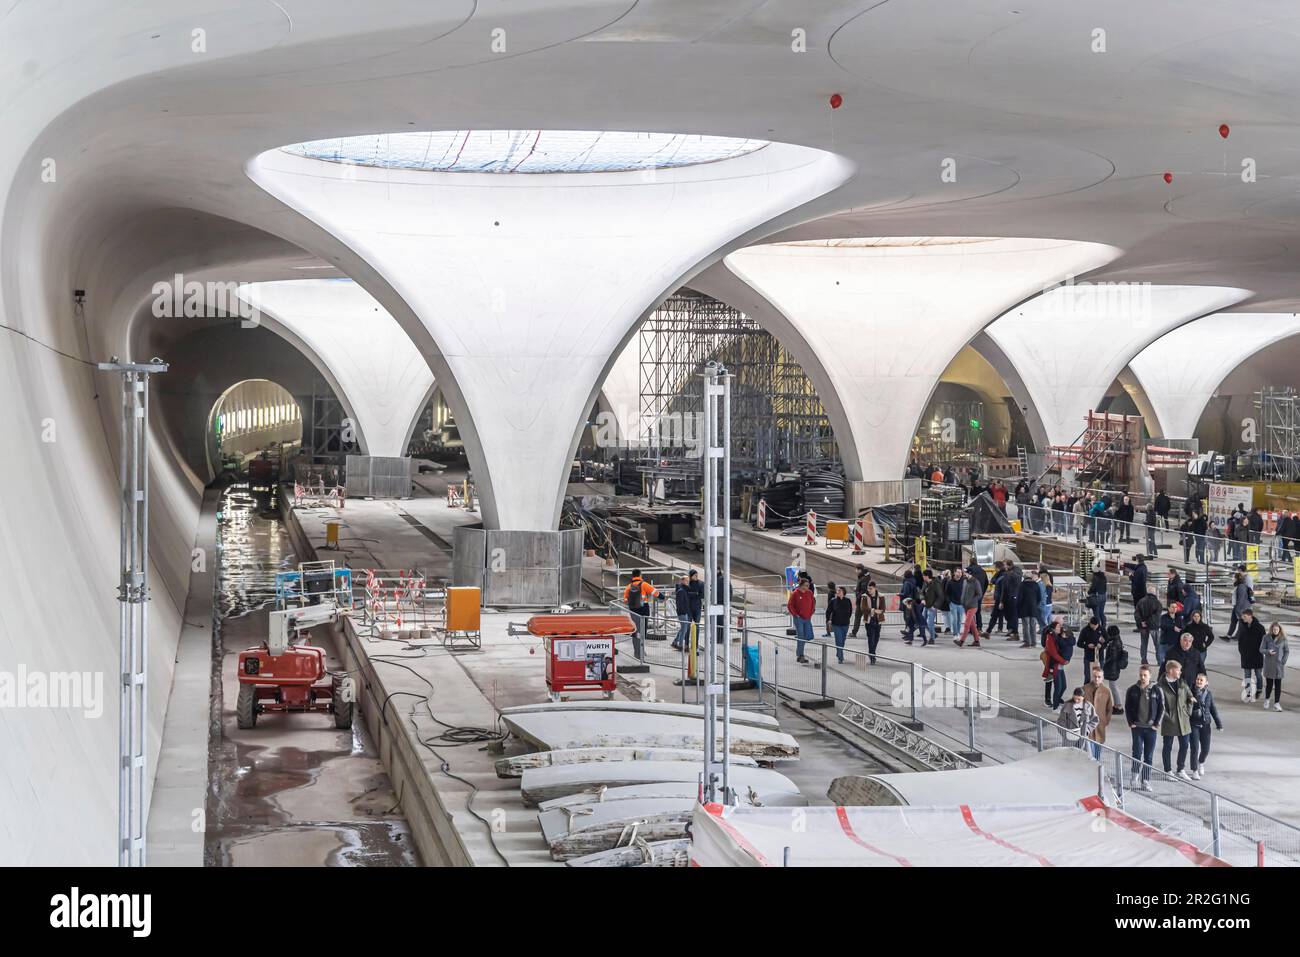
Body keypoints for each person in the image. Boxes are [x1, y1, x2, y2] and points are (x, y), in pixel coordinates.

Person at [1126, 665, 1164, 791]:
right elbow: (1127, 707)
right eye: (1141, 675)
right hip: (1137, 727)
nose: (1142, 677)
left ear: (1150, 676)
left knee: (1149, 755)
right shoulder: (1132, 690)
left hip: (1150, 728)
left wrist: (1156, 724)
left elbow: (1162, 708)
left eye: (1145, 675)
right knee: (1136, 752)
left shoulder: (1157, 690)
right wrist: (1131, 722)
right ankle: (1134, 777)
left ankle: (1145, 780)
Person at [1158, 659, 1194, 780]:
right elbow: (1159, 705)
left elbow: (1190, 696)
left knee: (1184, 745)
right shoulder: (1160, 686)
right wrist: (1167, 716)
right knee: (1167, 746)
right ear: (1171, 670)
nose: (1180, 672)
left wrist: (1187, 711)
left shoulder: (1182, 683)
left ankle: (1180, 769)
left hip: (1183, 720)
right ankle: (1168, 771)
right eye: (1178, 670)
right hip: (1170, 721)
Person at [1188, 672, 1223, 779]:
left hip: (1205, 724)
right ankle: (1194, 770)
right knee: (1194, 748)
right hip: (1193, 724)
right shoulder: (1190, 692)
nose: (1198, 681)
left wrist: (1219, 723)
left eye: (1201, 680)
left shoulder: (1208, 694)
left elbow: (1213, 709)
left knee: (1205, 749)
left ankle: (1201, 762)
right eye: (1197, 679)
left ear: (1206, 683)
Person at [623, 569, 661, 657]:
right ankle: (640, 652)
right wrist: (663, 597)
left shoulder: (628, 586)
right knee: (642, 632)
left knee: (635, 631)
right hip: (643, 610)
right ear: (640, 575)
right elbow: (656, 593)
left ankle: (637, 651)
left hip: (633, 611)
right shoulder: (644, 584)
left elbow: (625, 600)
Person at [1082, 666, 1113, 759]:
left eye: (1099, 677)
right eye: (1095, 676)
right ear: (1092, 676)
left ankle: (1097, 765)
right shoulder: (1084, 689)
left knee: (1098, 752)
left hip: (1100, 725)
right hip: (1088, 726)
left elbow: (1109, 708)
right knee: (1089, 753)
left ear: (1102, 678)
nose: (1096, 679)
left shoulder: (1106, 691)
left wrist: (1105, 721)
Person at [1057, 686, 1099, 752]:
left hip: (1083, 737)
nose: (1076, 701)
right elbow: (1060, 722)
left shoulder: (1089, 706)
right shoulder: (1066, 705)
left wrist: (1087, 730)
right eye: (1075, 698)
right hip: (1069, 738)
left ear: (1083, 697)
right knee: (1068, 755)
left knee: (1083, 755)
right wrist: (1065, 733)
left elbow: (1095, 720)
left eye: (1079, 699)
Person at [1237, 608, 1265, 702]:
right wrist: (1241, 651)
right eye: (1242, 616)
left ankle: (1259, 690)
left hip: (1257, 655)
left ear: (1250, 616)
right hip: (1246, 655)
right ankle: (1248, 693)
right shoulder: (1242, 627)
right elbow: (1240, 640)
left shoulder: (1260, 628)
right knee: (1247, 675)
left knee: (1258, 674)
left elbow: (1264, 642)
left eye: (1244, 616)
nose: (1243, 618)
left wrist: (1261, 651)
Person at [788, 578, 816, 663]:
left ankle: (800, 653)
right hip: (799, 618)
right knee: (801, 636)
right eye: (806, 585)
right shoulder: (795, 593)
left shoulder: (809, 593)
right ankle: (800, 655)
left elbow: (813, 603)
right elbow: (790, 605)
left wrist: (811, 613)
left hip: (807, 618)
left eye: (808, 586)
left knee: (808, 636)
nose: (807, 587)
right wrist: (795, 614)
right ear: (801, 585)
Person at [1262, 622, 1289, 712]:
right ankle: (1267, 700)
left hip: (1278, 665)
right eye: (1274, 629)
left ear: (1280, 629)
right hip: (1269, 665)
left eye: (1277, 629)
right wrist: (1268, 651)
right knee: (1269, 684)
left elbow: (1287, 651)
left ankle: (1277, 703)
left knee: (1278, 685)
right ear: (1271, 629)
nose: (1275, 631)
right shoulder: (1266, 637)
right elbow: (1261, 649)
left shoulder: (1283, 639)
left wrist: (1283, 661)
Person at [953, 568, 983, 648]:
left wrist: (971, 601)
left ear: (970, 573)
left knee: (967, 624)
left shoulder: (975, 582)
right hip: (965, 606)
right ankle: (976, 641)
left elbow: (979, 594)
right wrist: (962, 601)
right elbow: (963, 592)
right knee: (972, 625)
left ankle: (961, 641)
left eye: (965, 573)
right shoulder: (965, 581)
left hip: (972, 606)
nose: (963, 574)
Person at [1101, 625, 1128, 712]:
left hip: (1112, 668)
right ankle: (1117, 704)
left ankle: (1118, 705)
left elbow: (1111, 658)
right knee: (1113, 686)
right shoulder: (1116, 639)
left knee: (1113, 687)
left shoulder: (1113, 645)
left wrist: (1104, 667)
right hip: (1114, 668)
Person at [1042, 620, 1069, 708]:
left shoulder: (1058, 635)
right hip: (1053, 665)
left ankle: (1057, 699)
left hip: (1059, 664)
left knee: (1062, 686)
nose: (1060, 627)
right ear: (1053, 628)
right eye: (1058, 626)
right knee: (1056, 685)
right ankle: (1051, 702)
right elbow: (1053, 653)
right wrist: (1063, 661)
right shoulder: (1050, 637)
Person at [1135, 585, 1162, 665]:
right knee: (1157, 644)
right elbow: (1157, 615)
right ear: (1154, 593)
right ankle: (1159, 660)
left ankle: (1143, 659)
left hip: (1143, 627)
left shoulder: (1141, 601)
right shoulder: (1157, 603)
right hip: (1154, 626)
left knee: (1144, 643)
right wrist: (1148, 622)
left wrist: (1141, 622)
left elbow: (1137, 614)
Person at [861, 580, 885, 663]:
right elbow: (863, 608)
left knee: (876, 637)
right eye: (868, 588)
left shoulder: (881, 596)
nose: (869, 590)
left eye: (870, 588)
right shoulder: (864, 596)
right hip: (869, 620)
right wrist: (874, 610)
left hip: (878, 620)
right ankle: (872, 655)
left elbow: (883, 608)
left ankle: (872, 652)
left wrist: (879, 611)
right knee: (871, 638)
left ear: (875, 588)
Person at [828, 586, 853, 664]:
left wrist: (847, 619)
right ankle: (840, 657)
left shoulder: (848, 600)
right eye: (837, 591)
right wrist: (829, 620)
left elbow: (850, 611)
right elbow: (828, 611)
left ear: (843, 592)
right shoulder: (833, 601)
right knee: (838, 640)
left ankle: (839, 652)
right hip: (836, 624)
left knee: (842, 641)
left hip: (845, 624)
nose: (838, 592)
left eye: (839, 591)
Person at [1077, 617, 1104, 688]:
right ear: (1090, 624)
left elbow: (1106, 641)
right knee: (1088, 677)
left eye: (1096, 626)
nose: (1094, 627)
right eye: (1093, 626)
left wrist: (1101, 645)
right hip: (1088, 658)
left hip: (1099, 657)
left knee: (1099, 677)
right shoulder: (1085, 630)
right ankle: (1086, 692)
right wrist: (1087, 646)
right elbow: (1079, 643)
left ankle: (1098, 692)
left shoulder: (1102, 629)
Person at [1019, 567, 1041, 647]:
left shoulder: (1022, 585)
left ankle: (1027, 642)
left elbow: (1019, 598)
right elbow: (1039, 597)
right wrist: (1035, 604)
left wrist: (1018, 607)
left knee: (1026, 626)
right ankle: (1033, 642)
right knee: (1033, 626)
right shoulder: (1036, 585)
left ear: (1024, 578)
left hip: (1024, 608)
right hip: (1033, 608)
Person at [919, 569, 943, 646]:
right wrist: (922, 599)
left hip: (932, 607)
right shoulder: (925, 583)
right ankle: (934, 634)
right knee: (922, 621)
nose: (922, 577)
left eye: (923, 575)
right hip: (926, 606)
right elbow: (921, 592)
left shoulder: (936, 584)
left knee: (930, 623)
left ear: (927, 576)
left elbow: (940, 596)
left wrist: (935, 606)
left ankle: (932, 638)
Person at [671, 574, 692, 651]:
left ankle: (675, 642)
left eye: (688, 581)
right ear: (682, 581)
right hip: (682, 612)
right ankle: (680, 644)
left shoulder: (684, 589)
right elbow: (680, 604)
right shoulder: (681, 591)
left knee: (683, 628)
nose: (687, 582)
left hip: (684, 612)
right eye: (686, 581)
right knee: (684, 629)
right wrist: (683, 612)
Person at [1228, 572, 1252, 639]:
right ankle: (1229, 635)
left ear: (1237, 578)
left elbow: (1241, 599)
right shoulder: (1238, 586)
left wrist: (1237, 609)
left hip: (1240, 607)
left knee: (1241, 622)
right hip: (1237, 606)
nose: (1233, 579)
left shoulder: (1241, 586)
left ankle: (1238, 636)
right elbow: (1237, 596)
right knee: (1234, 621)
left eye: (1234, 578)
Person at [849, 566, 872, 637]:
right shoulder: (865, 577)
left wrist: (858, 595)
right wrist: (857, 589)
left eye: (856, 569)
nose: (855, 571)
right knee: (867, 617)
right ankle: (870, 632)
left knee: (858, 617)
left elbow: (863, 590)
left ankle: (854, 633)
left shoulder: (864, 578)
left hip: (862, 601)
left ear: (860, 570)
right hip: (865, 600)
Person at [898, 568, 919, 642]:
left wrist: (899, 594)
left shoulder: (907, 583)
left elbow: (905, 593)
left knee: (907, 619)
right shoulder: (913, 581)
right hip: (912, 601)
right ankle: (908, 634)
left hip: (907, 602)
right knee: (909, 619)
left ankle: (909, 635)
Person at [944, 568, 965, 637]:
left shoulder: (964, 581)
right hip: (953, 603)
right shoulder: (950, 582)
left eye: (960, 572)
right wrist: (949, 601)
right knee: (955, 619)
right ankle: (955, 634)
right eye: (958, 572)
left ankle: (958, 633)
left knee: (959, 620)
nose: (959, 574)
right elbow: (946, 593)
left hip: (961, 604)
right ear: (954, 573)